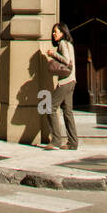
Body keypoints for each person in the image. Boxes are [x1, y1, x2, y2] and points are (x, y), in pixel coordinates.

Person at [42, 22, 78, 151]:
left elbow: (67, 61)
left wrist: (53, 54)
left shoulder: (63, 43)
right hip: (72, 81)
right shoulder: (70, 44)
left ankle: (56, 140)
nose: (53, 34)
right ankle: (73, 143)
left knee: (49, 107)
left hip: (65, 82)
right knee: (68, 112)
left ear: (62, 33)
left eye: (55, 31)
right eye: (53, 32)